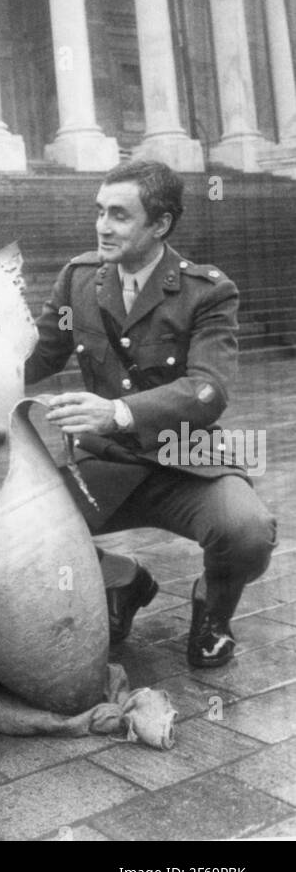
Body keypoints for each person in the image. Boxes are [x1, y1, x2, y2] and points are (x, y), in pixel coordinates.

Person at [25, 159, 276, 669]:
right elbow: (35, 360)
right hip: (108, 463)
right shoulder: (78, 281)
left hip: (188, 456)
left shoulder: (207, 291)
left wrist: (117, 411)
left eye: (119, 215)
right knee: (16, 536)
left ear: (159, 224)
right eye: (99, 212)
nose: (102, 226)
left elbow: (209, 390)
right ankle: (124, 581)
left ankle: (212, 614)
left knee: (248, 532)